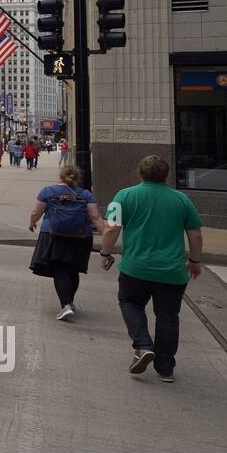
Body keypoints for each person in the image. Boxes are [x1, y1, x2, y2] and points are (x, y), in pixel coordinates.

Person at [101, 155, 205, 383]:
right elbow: (195, 234)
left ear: (140, 173)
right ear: (165, 175)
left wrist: (105, 253)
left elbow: (110, 229)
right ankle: (165, 368)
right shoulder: (181, 199)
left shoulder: (124, 195)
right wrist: (195, 261)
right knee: (168, 316)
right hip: (172, 271)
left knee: (130, 303)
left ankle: (143, 345)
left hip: (136, 268)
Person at [28, 164, 108, 322]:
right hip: (81, 236)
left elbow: (36, 212)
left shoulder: (48, 191)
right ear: (77, 178)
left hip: (53, 235)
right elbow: (95, 217)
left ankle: (66, 305)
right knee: (73, 269)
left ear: (61, 176)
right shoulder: (86, 194)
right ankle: (69, 301)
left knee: (60, 269)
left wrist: (32, 223)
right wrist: (106, 235)